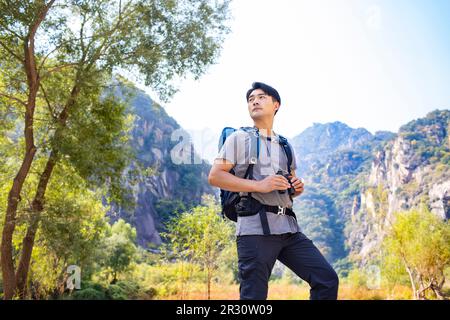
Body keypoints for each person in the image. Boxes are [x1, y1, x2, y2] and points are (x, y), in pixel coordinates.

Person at [208, 82, 339, 300]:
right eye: (251, 99)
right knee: (254, 298)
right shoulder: (239, 139)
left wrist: (297, 188)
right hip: (254, 230)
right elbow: (215, 176)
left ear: (276, 105)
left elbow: (290, 185)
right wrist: (259, 185)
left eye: (261, 97)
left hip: (289, 230)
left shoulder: (285, 145)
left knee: (326, 279)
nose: (255, 101)